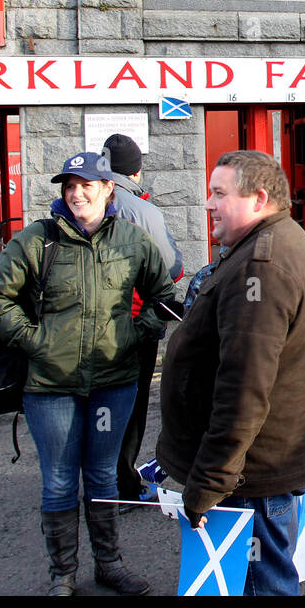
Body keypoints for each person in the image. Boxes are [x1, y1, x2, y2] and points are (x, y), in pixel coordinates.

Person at [0, 152, 176, 596]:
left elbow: (164, 298)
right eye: (69, 185)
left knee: (104, 475)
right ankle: (62, 575)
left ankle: (110, 565)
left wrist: (133, 334)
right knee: (60, 479)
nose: (77, 192)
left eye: (86, 184)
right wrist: (33, 340)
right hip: (50, 386)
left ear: (108, 188)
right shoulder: (36, 240)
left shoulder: (133, 239)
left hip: (114, 381)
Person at [157, 151, 305, 596]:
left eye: (219, 194)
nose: (207, 204)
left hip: (249, 476)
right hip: (258, 468)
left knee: (260, 585)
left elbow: (244, 390)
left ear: (259, 198)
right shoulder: (273, 241)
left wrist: (207, 484)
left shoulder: (260, 265)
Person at [100, 133, 186, 507]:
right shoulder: (143, 211)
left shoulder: (79, 202)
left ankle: (95, 476)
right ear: (136, 171)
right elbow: (171, 267)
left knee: (95, 402)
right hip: (134, 324)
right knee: (130, 403)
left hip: (85, 326)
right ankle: (123, 482)